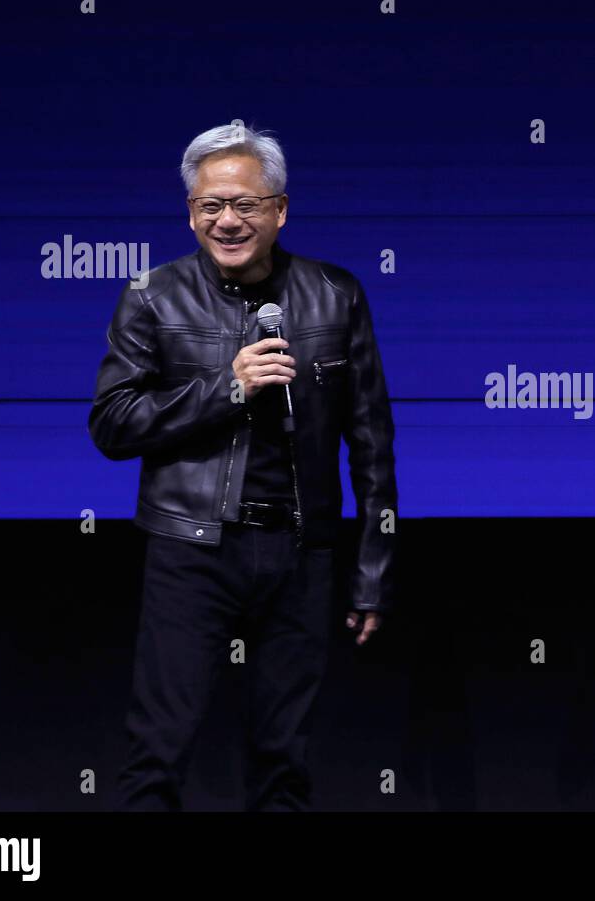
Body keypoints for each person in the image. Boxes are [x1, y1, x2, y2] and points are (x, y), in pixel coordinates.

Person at [89, 124, 397, 810]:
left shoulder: (335, 294)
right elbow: (111, 425)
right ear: (191, 213)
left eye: (245, 205)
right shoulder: (152, 295)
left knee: (284, 763)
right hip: (190, 551)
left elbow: (372, 442)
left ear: (279, 210)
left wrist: (371, 570)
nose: (226, 220)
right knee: (157, 756)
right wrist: (227, 388)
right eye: (210, 206)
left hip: (300, 554)